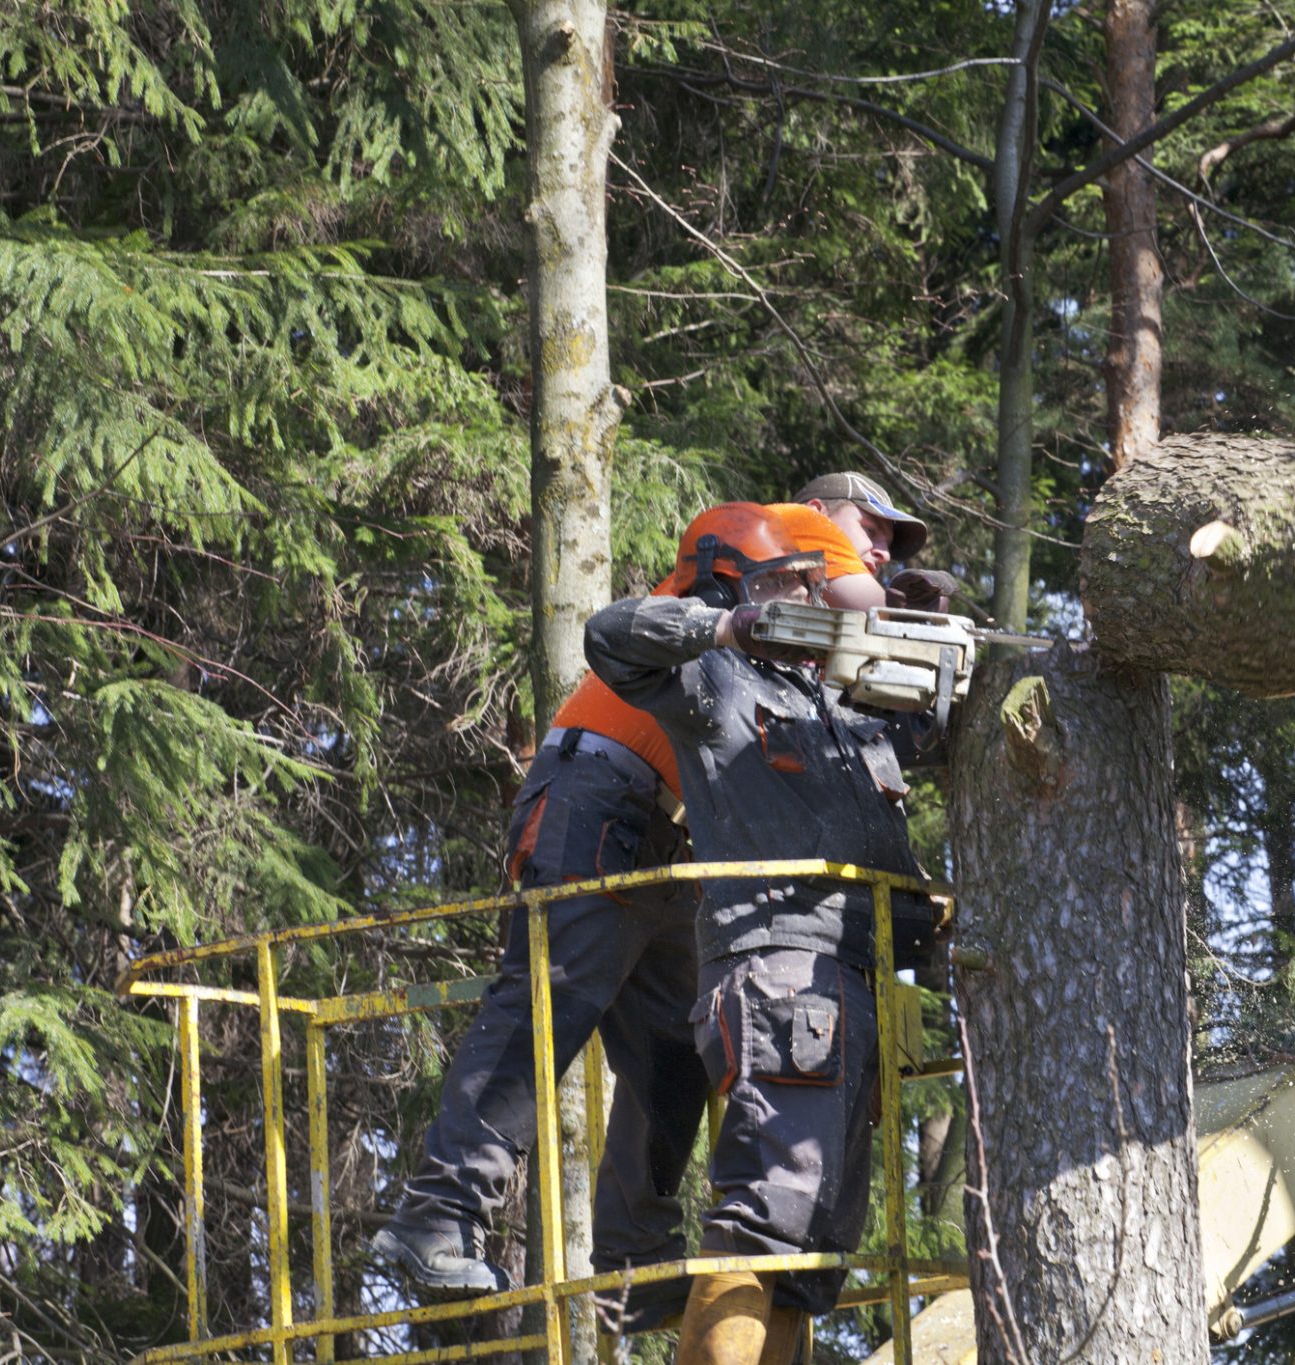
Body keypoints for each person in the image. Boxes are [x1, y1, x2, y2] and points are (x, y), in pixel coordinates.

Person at [370, 482, 935, 1332]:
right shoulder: (767, 552)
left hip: (665, 838)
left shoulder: (786, 649)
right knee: (544, 1009)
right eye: (874, 531)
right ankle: (437, 1216)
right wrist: (785, 609)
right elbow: (626, 632)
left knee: (676, 1046)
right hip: (597, 798)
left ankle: (634, 1256)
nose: (883, 551)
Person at [584, 504, 950, 1365]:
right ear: (736, 589)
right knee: (768, 1212)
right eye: (785, 584)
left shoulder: (835, 699)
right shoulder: (717, 680)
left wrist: (916, 623)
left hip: (853, 977)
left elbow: (923, 723)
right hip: (780, 970)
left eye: (809, 583)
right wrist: (726, 624)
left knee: (810, 1247)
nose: (806, 595)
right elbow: (610, 637)